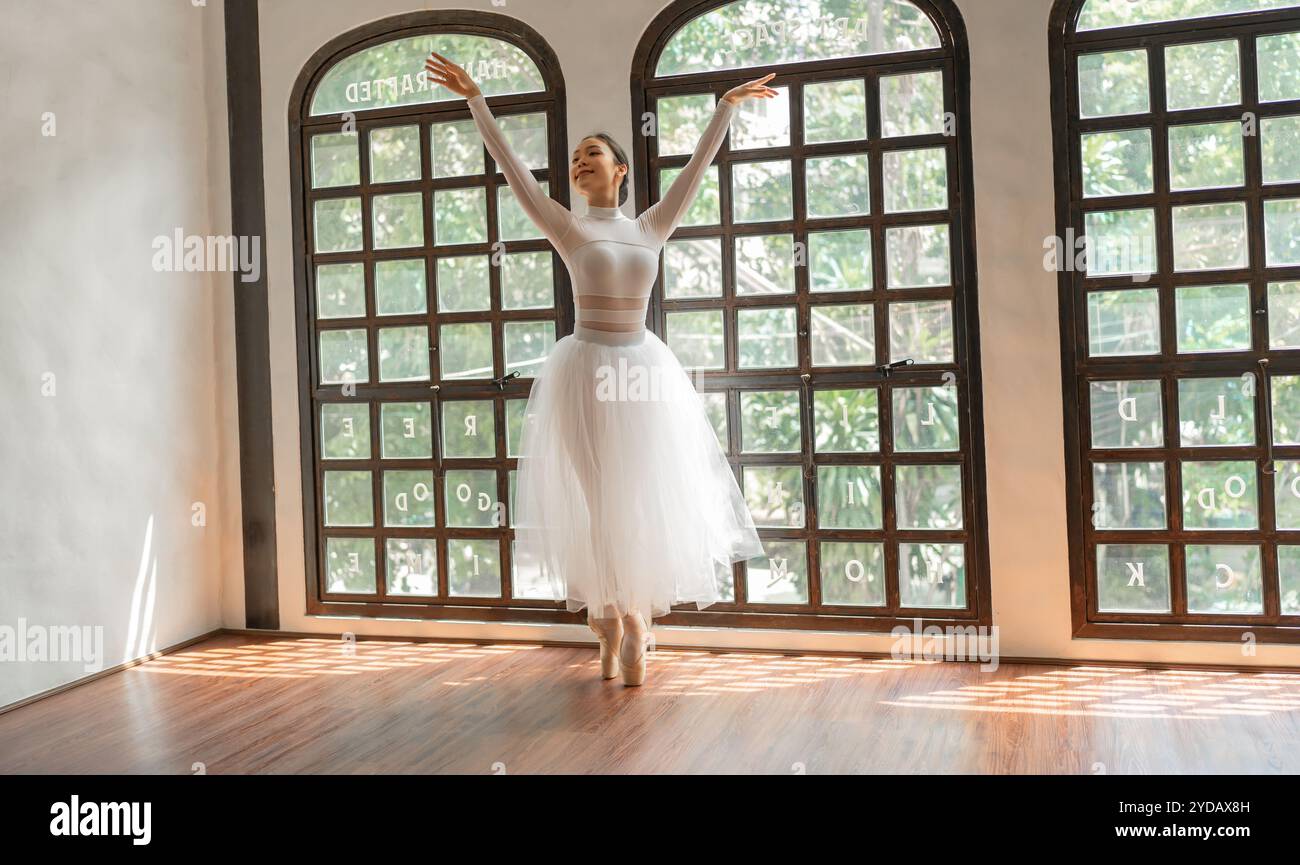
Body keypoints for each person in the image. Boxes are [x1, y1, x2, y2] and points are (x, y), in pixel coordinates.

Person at [424, 52, 771, 686]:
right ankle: (608, 616)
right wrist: (477, 100)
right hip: (584, 370)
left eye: (593, 154)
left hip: (643, 374)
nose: (580, 163)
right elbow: (511, 170)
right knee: (597, 501)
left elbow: (695, 173)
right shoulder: (567, 226)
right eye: (575, 158)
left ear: (621, 170)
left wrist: (724, 109)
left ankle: (631, 616)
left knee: (637, 499)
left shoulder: (650, 227)